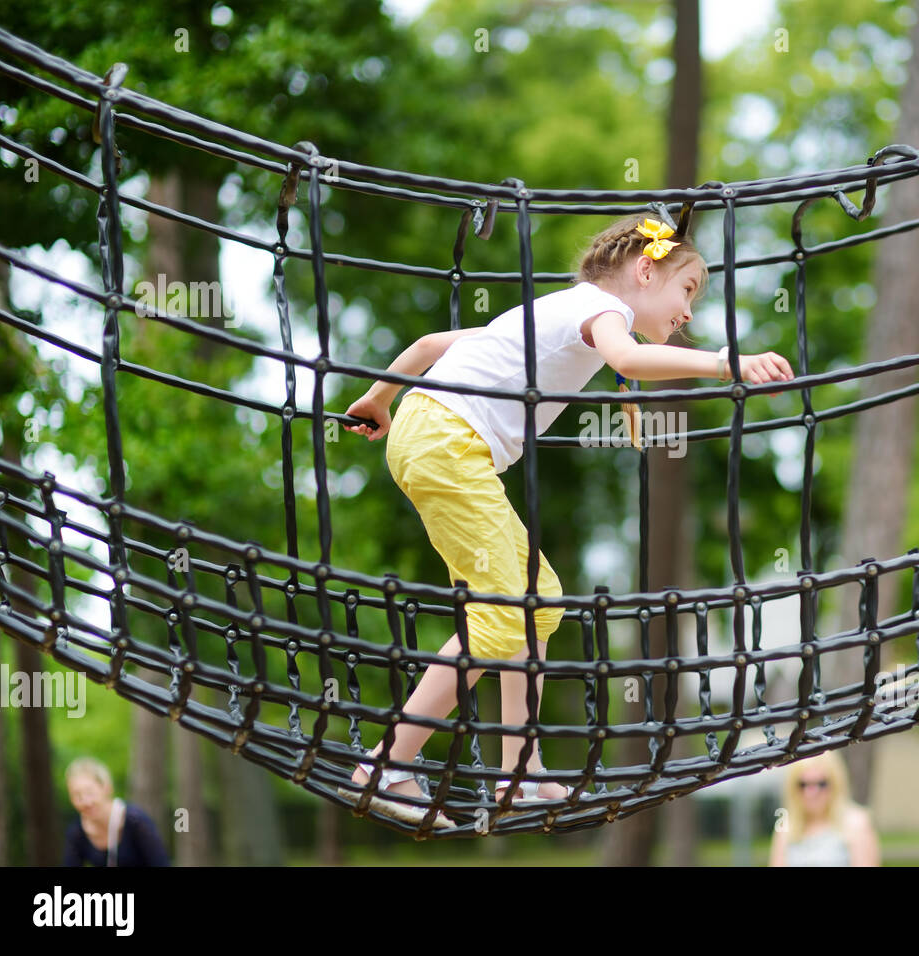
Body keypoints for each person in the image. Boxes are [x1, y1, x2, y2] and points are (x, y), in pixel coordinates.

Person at [339, 215, 794, 826]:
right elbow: (627, 350)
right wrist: (726, 362)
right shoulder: (606, 315)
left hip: (434, 438)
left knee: (536, 601)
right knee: (504, 610)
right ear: (644, 269)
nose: (688, 310)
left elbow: (426, 347)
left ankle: (519, 773)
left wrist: (377, 398)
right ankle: (386, 764)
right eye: (686, 289)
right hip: (448, 445)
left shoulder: (550, 314)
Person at [769, 750, 880, 866]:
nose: (811, 793)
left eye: (821, 784)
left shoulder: (856, 823)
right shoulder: (786, 826)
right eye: (803, 784)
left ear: (835, 783)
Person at [63, 756, 170, 866]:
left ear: (106, 788)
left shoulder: (136, 821)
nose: (86, 802)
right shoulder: (76, 832)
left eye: (90, 793)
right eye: (77, 796)